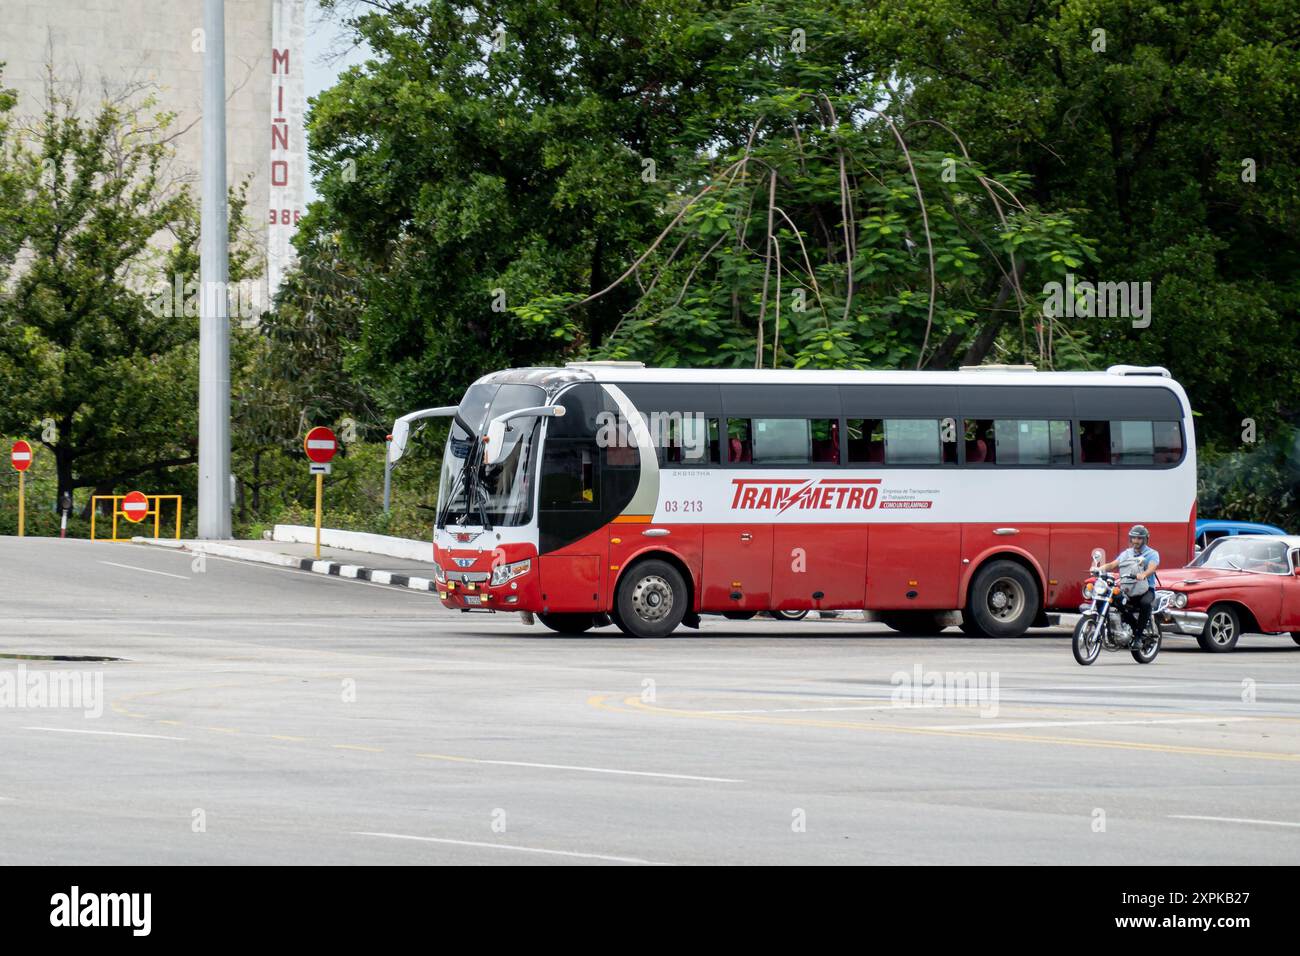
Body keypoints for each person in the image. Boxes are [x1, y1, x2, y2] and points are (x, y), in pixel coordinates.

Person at [1094, 525, 1161, 643]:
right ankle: (1116, 629)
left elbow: (1152, 567)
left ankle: (1139, 637)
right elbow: (1112, 565)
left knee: (1145, 604)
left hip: (1146, 590)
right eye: (1134, 538)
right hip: (1128, 589)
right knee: (1113, 600)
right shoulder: (1127, 553)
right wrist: (1098, 569)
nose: (1136, 541)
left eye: (1139, 538)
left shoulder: (1152, 553)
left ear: (1145, 539)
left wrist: (1144, 574)